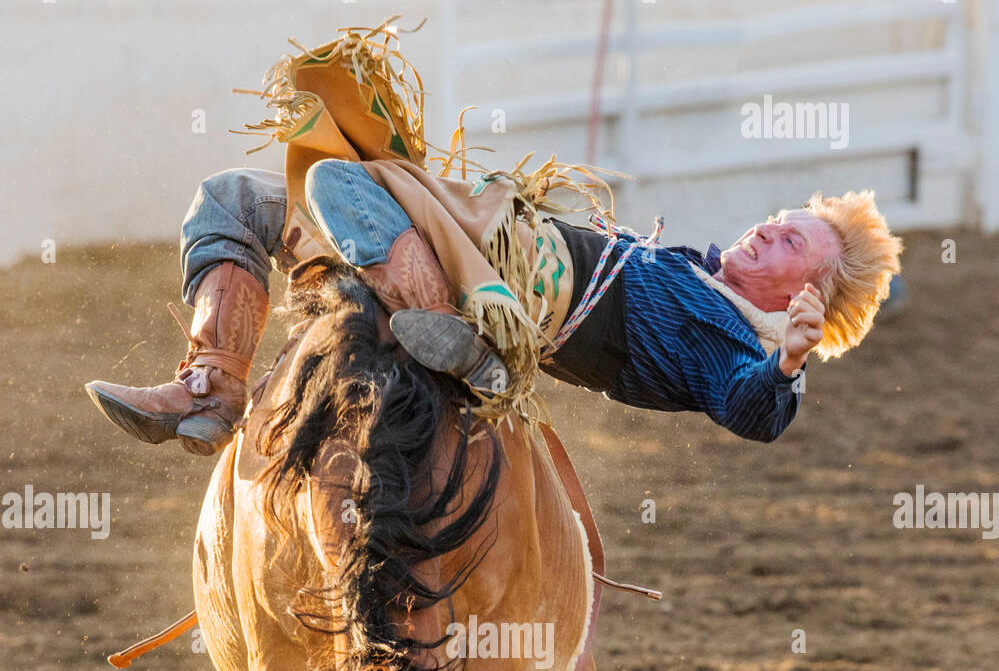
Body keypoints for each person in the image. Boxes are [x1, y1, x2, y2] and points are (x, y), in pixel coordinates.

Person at [86, 161, 901, 454]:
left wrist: (788, 362)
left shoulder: (733, 341)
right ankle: (210, 388)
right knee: (232, 197)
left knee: (336, 181)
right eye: (780, 218)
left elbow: (751, 411)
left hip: (527, 281)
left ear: (802, 298)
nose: (767, 228)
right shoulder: (695, 274)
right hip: (500, 244)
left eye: (790, 241)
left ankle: (457, 333)